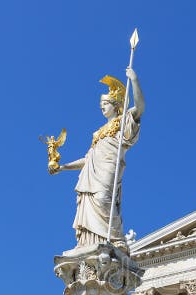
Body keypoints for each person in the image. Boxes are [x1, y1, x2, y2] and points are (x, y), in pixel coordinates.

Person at [53, 67, 145, 249]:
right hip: (91, 173)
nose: (102, 106)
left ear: (116, 105)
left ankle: (116, 240)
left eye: (106, 103)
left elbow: (140, 107)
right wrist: (63, 167)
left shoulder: (123, 121)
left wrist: (134, 80)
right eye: (101, 104)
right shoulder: (98, 133)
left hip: (108, 168)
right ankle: (90, 243)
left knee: (104, 199)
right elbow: (87, 160)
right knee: (90, 204)